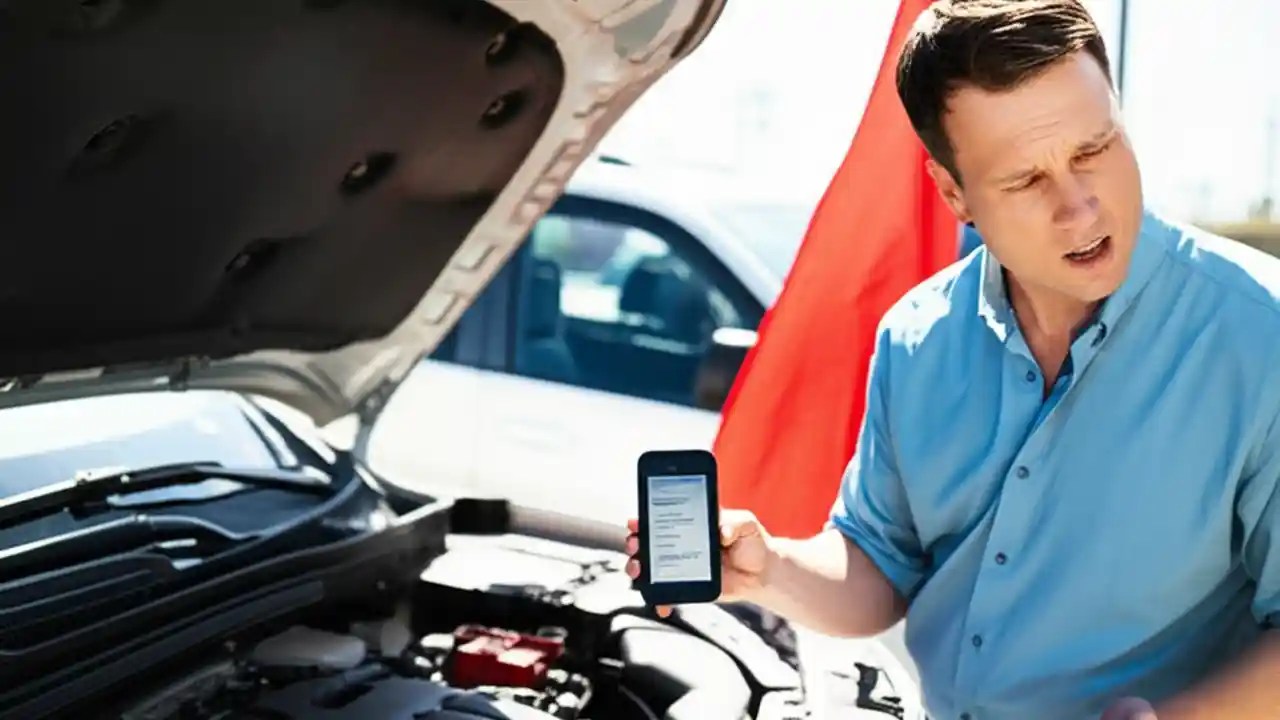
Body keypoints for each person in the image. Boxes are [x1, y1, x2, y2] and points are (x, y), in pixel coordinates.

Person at [625, 1, 1280, 718]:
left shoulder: (1259, 336)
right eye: (1026, 180)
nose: (1080, 206)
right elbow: (879, 568)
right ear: (952, 193)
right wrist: (768, 568)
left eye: (1095, 149)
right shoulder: (915, 336)